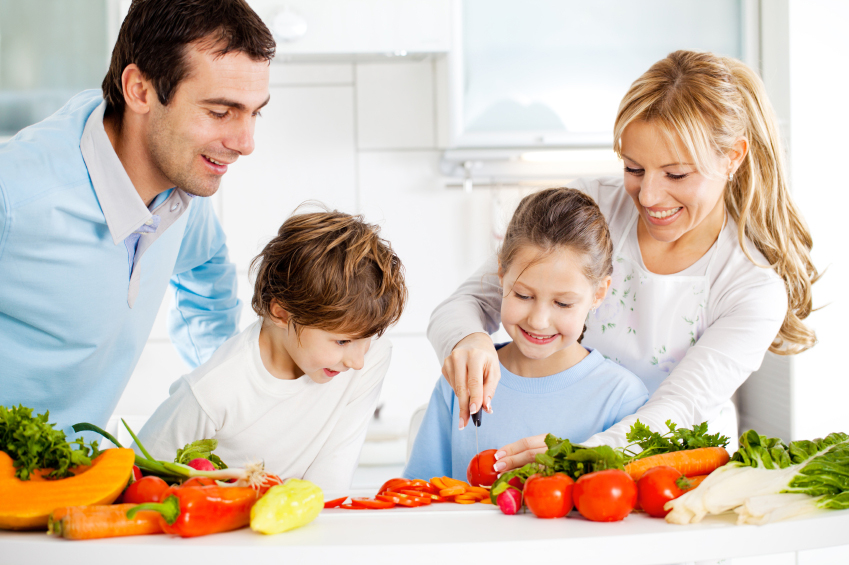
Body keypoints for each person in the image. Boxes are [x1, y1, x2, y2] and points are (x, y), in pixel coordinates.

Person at [428, 50, 818, 473]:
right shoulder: (594, 205)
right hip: (564, 459)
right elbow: (465, 303)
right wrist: (467, 338)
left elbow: (677, 409)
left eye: (676, 174)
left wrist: (578, 456)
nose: (648, 197)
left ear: (733, 157)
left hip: (672, 475)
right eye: (634, 168)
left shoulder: (751, 286)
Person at [0, 0, 275, 432]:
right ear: (140, 91)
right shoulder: (16, 193)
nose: (245, 142)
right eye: (220, 112)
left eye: (254, 112)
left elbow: (207, 275)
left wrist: (224, 408)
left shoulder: (180, 186)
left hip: (76, 482)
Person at [137, 208, 408, 490]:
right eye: (342, 341)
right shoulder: (212, 391)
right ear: (281, 313)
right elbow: (138, 476)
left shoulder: (371, 357)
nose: (357, 362)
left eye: (369, 337)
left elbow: (331, 479)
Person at [404, 189, 648, 480]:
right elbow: (417, 499)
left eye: (563, 303)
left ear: (599, 294)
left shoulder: (621, 397)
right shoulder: (465, 377)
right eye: (523, 295)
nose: (539, 321)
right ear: (501, 275)